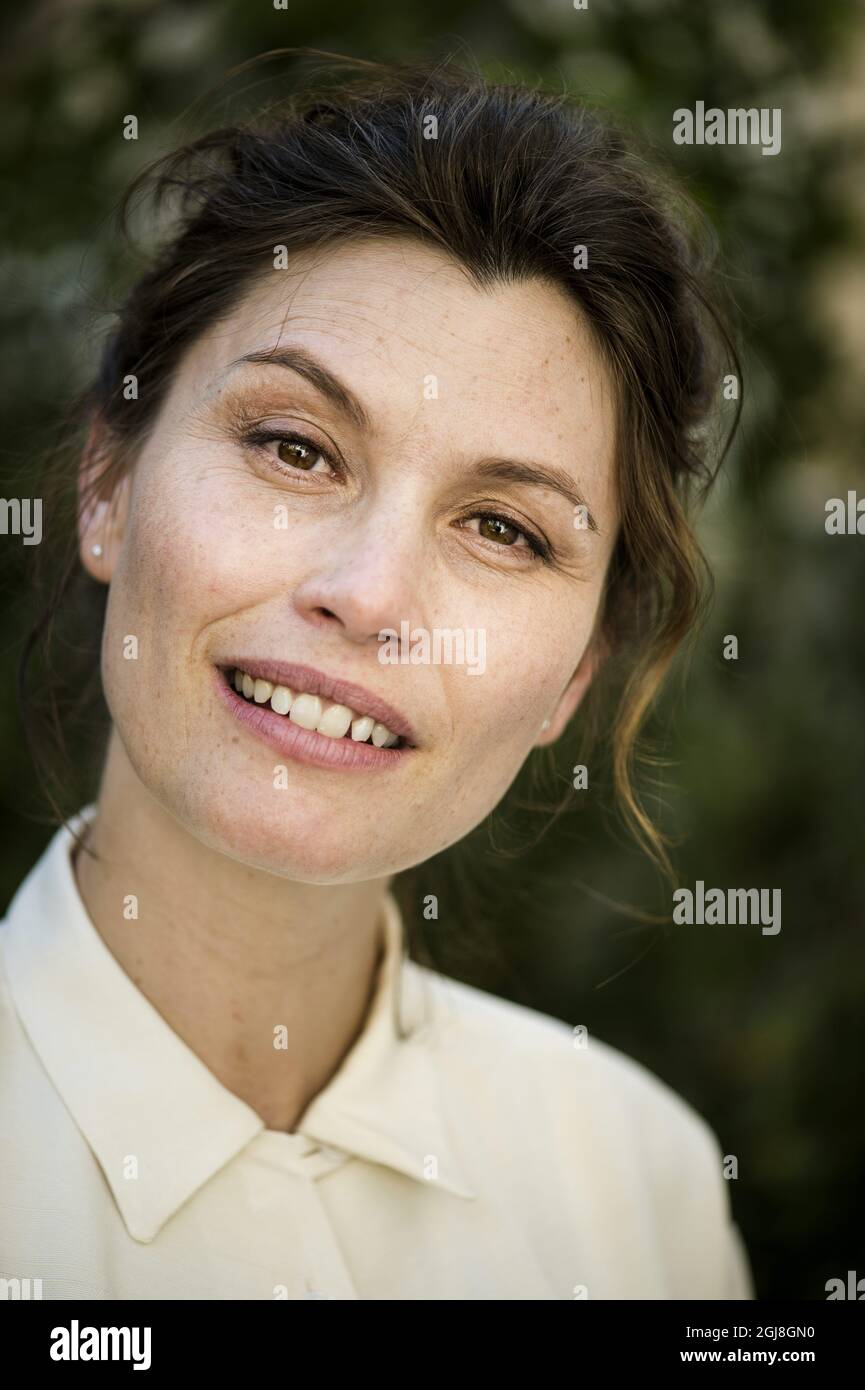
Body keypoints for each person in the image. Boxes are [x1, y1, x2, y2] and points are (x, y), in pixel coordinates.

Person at [0, 51, 754, 1300]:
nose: (370, 592)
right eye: (294, 447)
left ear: (578, 675)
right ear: (108, 485)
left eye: (504, 528)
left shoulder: (642, 1191)